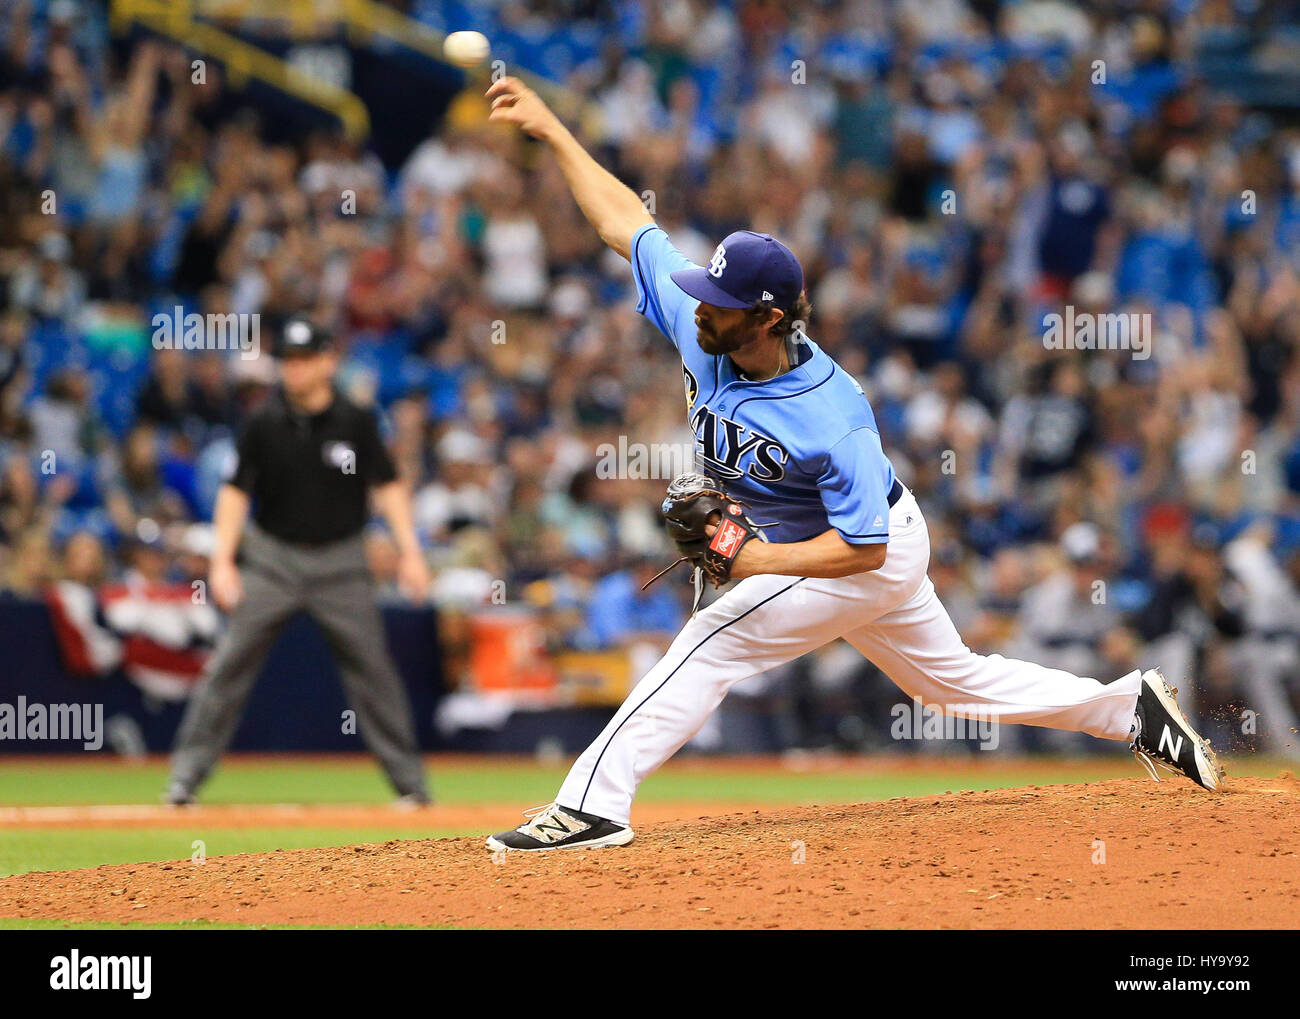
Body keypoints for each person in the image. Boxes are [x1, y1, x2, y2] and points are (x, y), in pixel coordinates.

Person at [481, 77, 1223, 852]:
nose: (698, 306)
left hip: (865, 545)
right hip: (847, 542)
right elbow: (626, 222)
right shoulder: (705, 326)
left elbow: (864, 547)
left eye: (718, 301)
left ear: (768, 316)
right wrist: (555, 132)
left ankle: (592, 805)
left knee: (716, 636)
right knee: (951, 681)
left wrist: (759, 558)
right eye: (702, 292)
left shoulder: (832, 415)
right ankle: (1130, 708)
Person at [165, 319, 432, 805]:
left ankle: (412, 789)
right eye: (288, 360)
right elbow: (235, 491)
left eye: (305, 359)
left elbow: (388, 485)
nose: (295, 369)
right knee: (228, 664)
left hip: (343, 563)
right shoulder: (263, 422)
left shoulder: (356, 420)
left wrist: (410, 552)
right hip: (273, 561)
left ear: (328, 361)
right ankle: (184, 779)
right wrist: (223, 560)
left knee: (373, 672)